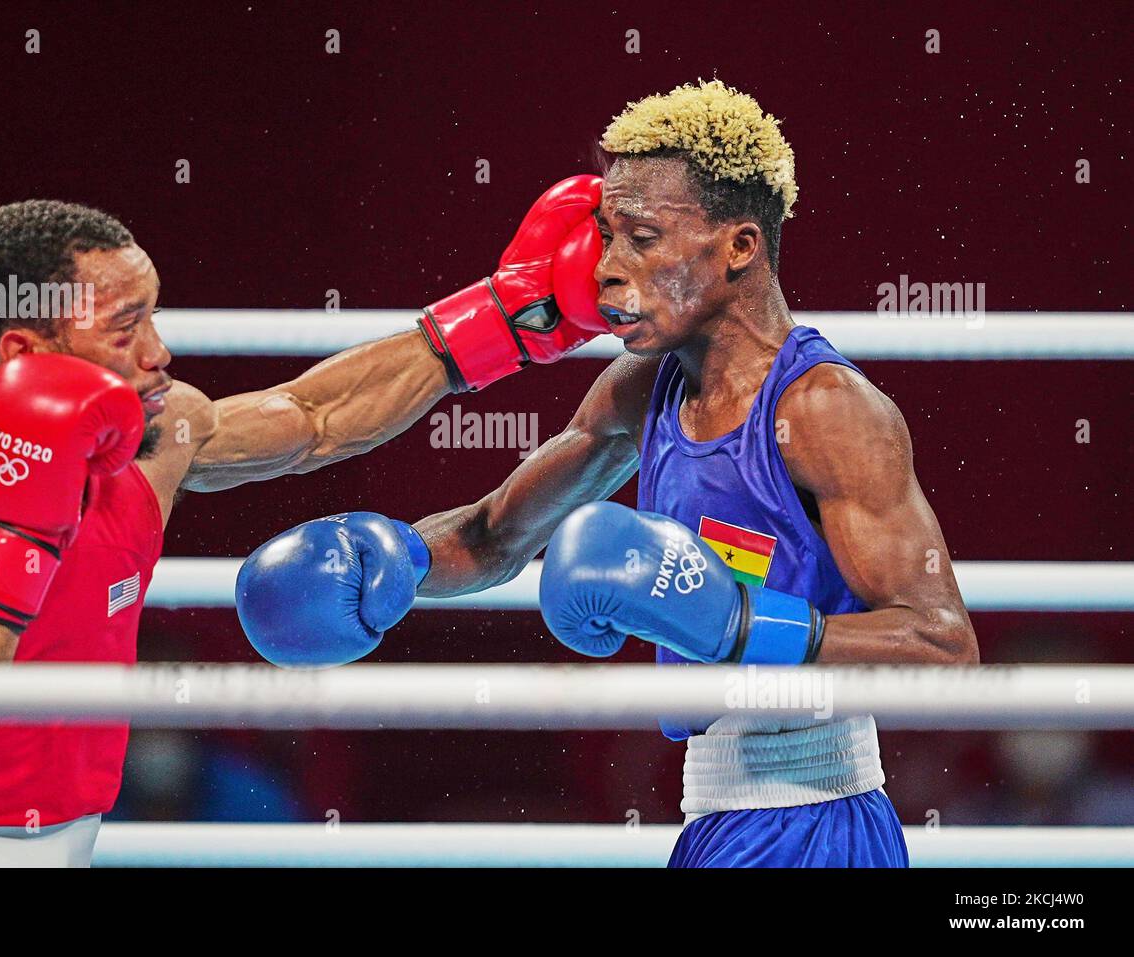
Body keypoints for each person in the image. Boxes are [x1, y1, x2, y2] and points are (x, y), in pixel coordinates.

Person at [238, 79, 979, 867]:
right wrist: (396, 560)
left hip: (819, 821)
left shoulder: (827, 409)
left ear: (738, 248)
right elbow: (497, 535)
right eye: (605, 237)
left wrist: (738, 623)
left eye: (643, 238)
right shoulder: (641, 390)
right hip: (718, 819)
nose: (605, 271)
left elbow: (943, 649)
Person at [0, 179, 609, 866]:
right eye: (125, 328)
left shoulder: (154, 444)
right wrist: (23, 530)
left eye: (154, 320)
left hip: (73, 843)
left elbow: (317, 415)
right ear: (25, 351)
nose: (160, 352)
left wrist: (504, 319)